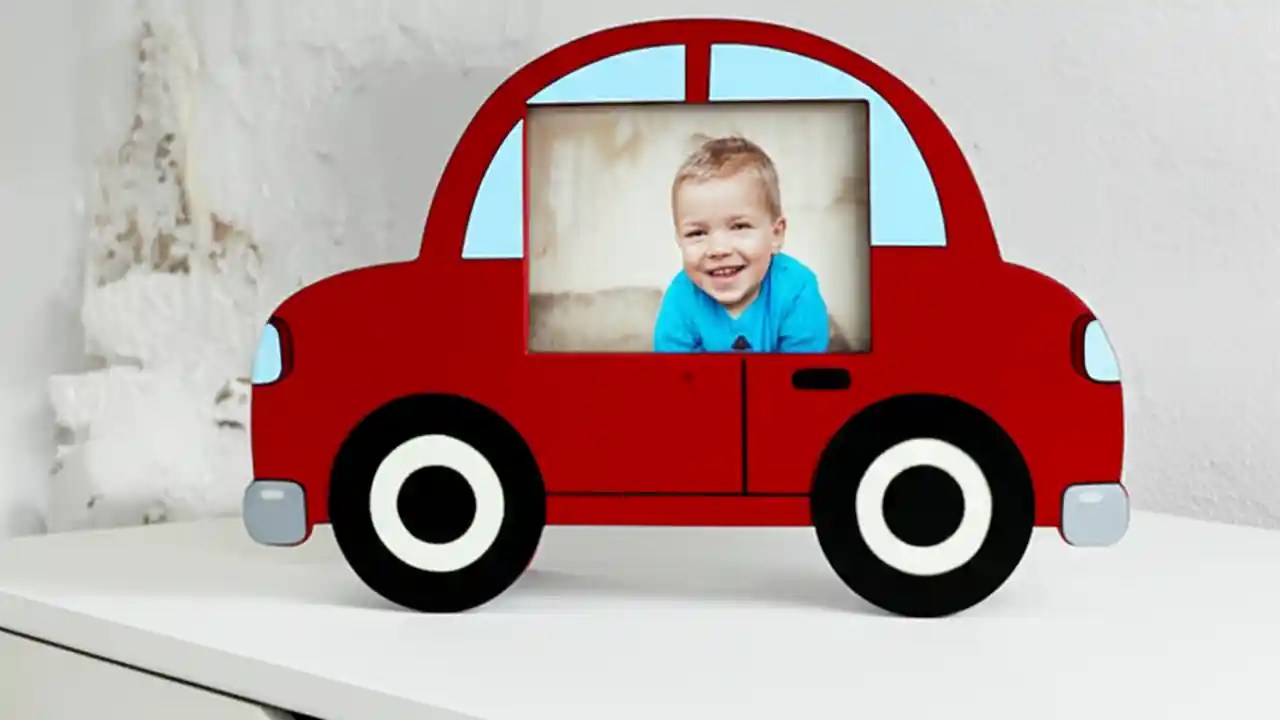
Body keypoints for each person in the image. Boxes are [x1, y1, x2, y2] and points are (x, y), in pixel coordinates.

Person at [653, 135, 829, 353]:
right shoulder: (680, 298)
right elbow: (676, 379)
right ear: (679, 239)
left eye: (739, 227)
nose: (718, 250)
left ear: (776, 234)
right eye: (697, 232)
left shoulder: (797, 289)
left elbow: (802, 375)